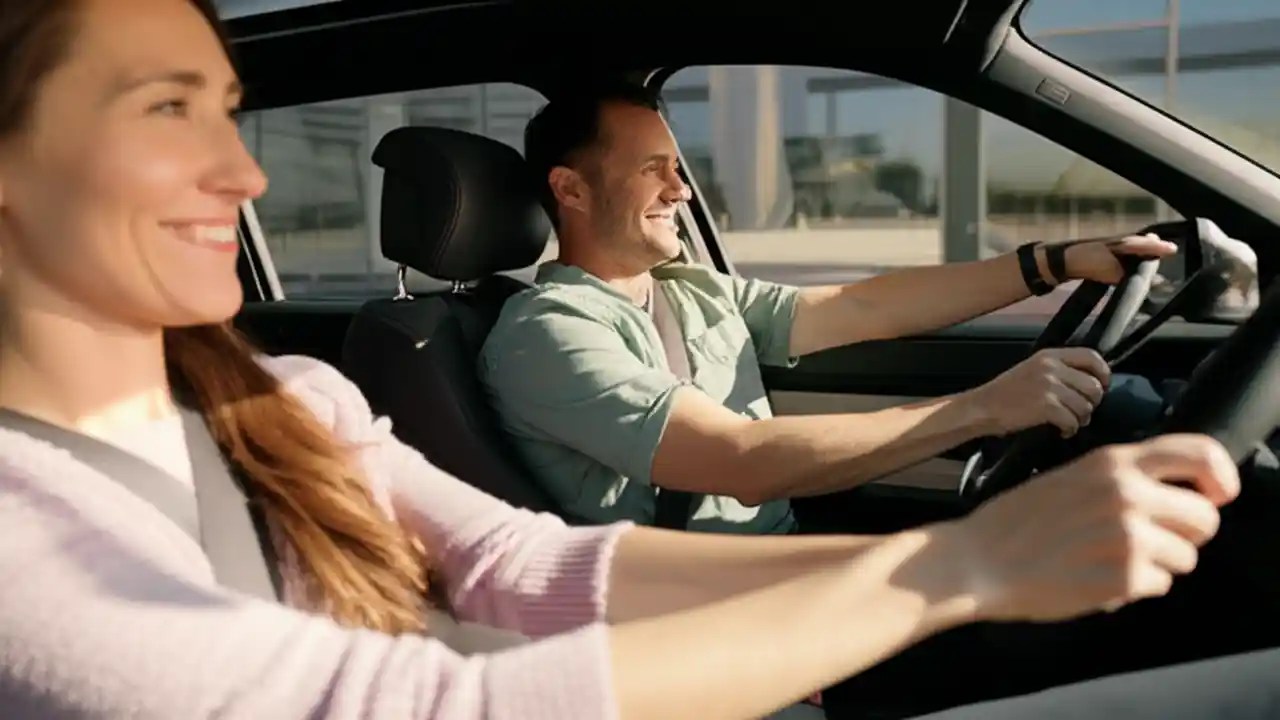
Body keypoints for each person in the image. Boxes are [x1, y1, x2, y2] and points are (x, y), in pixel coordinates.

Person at [2, 2, 1280, 719]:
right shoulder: (20, 523)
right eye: (167, 109)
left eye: (230, 113)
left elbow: (522, 563)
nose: (247, 175)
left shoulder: (290, 396)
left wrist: (1047, 269)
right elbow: (388, 703)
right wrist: (958, 562)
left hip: (711, 606)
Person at [478, 81, 1180, 536]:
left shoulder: (691, 290)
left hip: (773, 568)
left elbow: (863, 306)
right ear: (570, 190)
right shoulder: (546, 335)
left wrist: (1049, 264)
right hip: (699, 614)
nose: (682, 191)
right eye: (651, 170)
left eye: (678, 168)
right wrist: (984, 408)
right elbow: (739, 460)